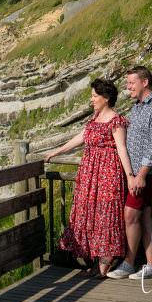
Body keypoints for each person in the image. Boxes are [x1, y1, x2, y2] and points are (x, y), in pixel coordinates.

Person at [44, 78, 134, 278]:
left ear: (106, 98)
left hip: (108, 174)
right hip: (89, 175)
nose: (91, 99)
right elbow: (80, 138)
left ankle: (104, 263)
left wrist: (129, 176)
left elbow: (122, 149)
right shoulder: (94, 119)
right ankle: (96, 262)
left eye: (95, 96)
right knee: (91, 216)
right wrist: (57, 152)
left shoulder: (116, 121)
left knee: (106, 216)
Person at [107, 66, 152, 280]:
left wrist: (141, 175)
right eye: (127, 84)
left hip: (146, 173)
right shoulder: (138, 106)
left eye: (131, 83)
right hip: (135, 174)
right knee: (144, 217)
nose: (128, 87)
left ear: (145, 82)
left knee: (130, 214)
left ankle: (128, 262)